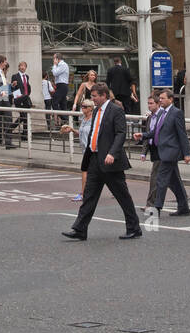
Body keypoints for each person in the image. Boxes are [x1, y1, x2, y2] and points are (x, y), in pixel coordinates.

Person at [61, 82, 142, 241]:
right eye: (92, 96)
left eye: (95, 96)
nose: (93, 99)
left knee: (122, 196)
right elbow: (94, 132)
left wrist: (112, 153)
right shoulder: (97, 110)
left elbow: (120, 134)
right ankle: (80, 229)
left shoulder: (116, 110)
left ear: (104, 95)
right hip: (95, 159)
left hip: (110, 162)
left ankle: (134, 228)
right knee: (89, 196)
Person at [150, 88, 190, 218]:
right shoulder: (161, 113)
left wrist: (187, 153)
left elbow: (182, 134)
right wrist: (143, 135)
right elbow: (156, 132)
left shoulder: (176, 113)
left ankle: (157, 208)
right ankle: (184, 207)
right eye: (160, 98)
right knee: (174, 181)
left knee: (161, 179)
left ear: (171, 99)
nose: (160, 100)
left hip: (171, 152)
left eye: (163, 98)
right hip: (162, 151)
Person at [60, 88, 94, 202]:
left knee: (86, 171)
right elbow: (82, 133)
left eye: (84, 107)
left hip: (93, 150)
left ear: (90, 108)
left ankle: (83, 194)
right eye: (82, 106)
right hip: (85, 149)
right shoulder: (83, 119)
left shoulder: (94, 120)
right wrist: (72, 130)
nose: (82, 108)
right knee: (97, 173)